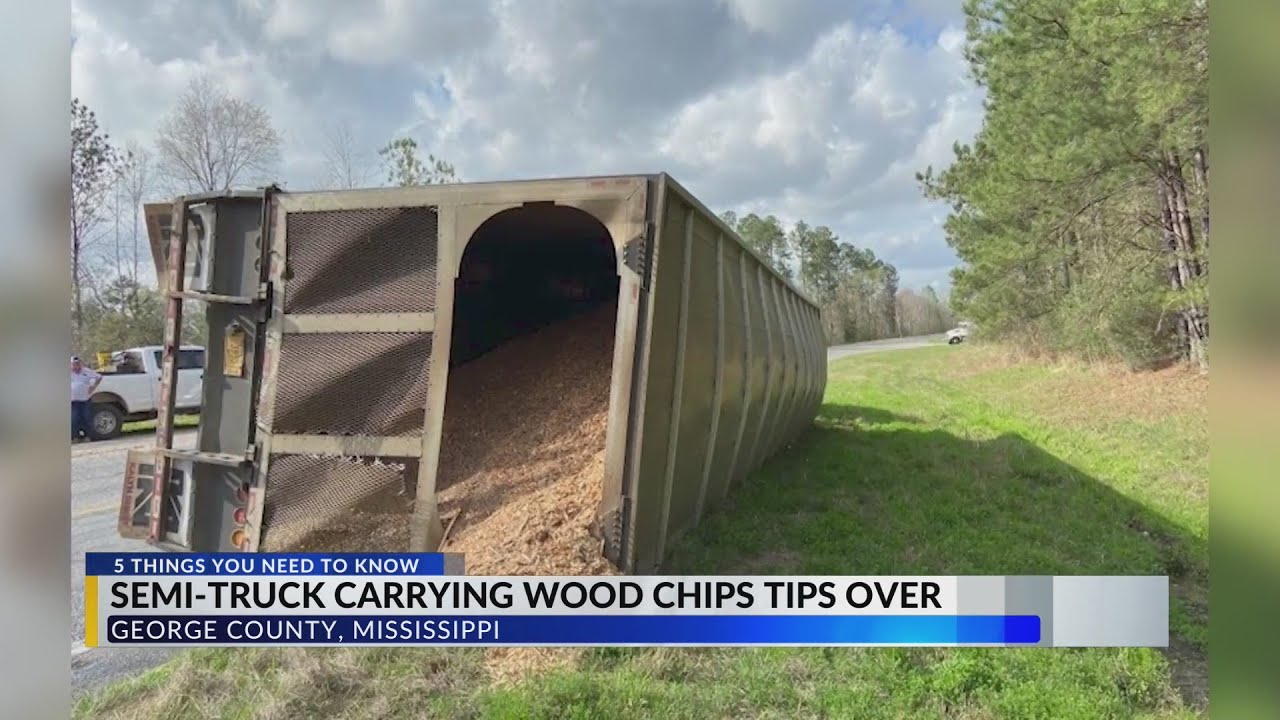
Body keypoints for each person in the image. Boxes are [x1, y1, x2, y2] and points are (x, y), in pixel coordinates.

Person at [70, 355, 102, 443]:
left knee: (87, 418)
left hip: (85, 399)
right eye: (73, 364)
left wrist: (93, 387)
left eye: (77, 363)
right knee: (74, 419)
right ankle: (75, 437)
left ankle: (88, 436)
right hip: (73, 400)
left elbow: (99, 377)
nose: (76, 366)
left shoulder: (86, 371)